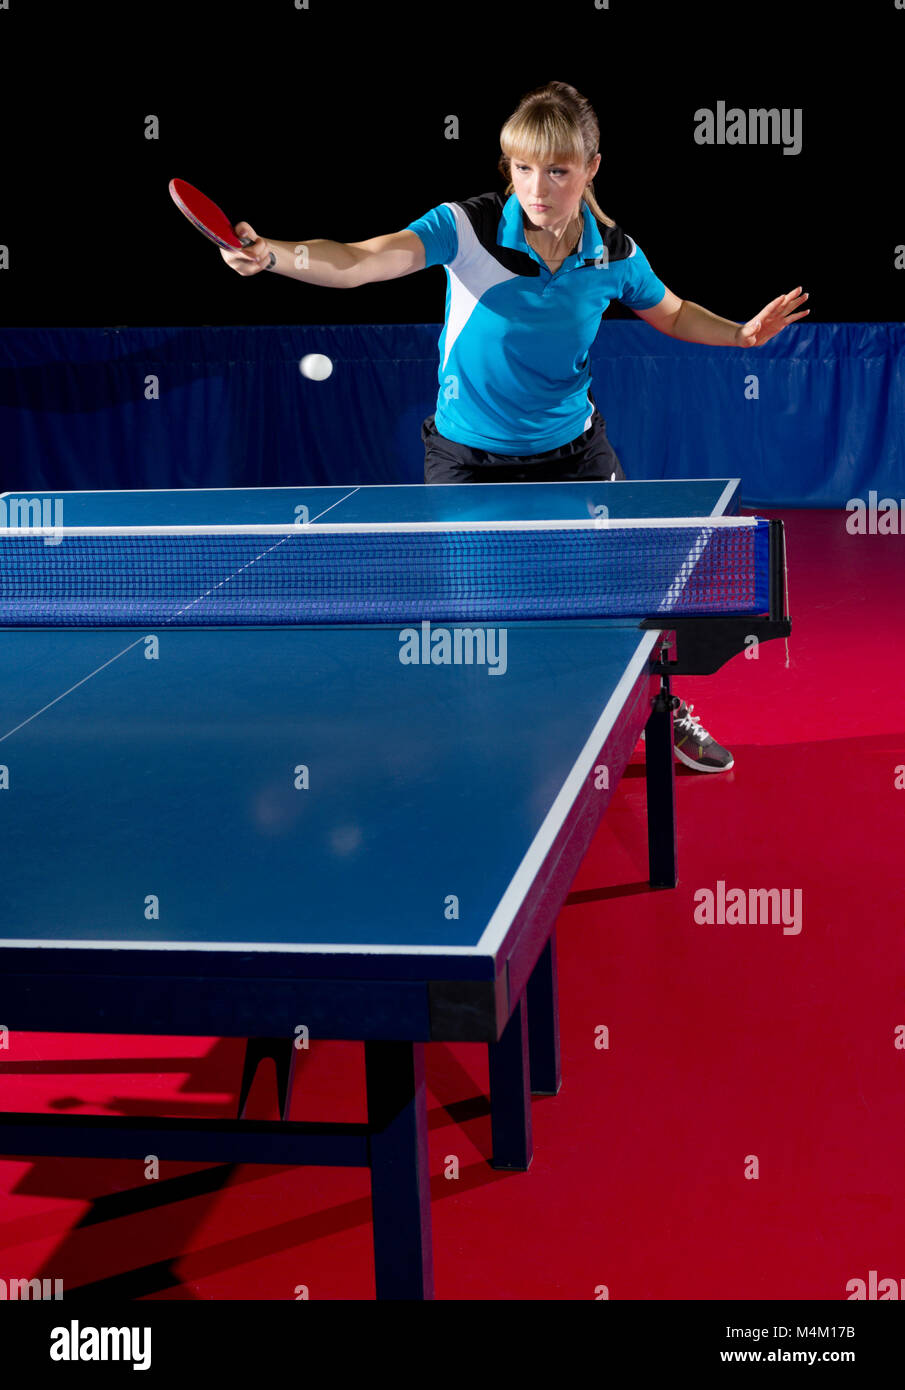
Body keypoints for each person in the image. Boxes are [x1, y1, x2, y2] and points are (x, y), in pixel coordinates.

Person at [220, 81, 808, 772]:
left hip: (575, 451)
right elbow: (360, 260)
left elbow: (672, 312)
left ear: (591, 168)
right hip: (468, 461)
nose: (537, 186)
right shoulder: (464, 228)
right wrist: (275, 256)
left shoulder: (612, 254)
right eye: (522, 167)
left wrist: (738, 335)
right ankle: (500, 734)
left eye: (557, 170)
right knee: (484, 612)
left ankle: (658, 709)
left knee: (626, 600)